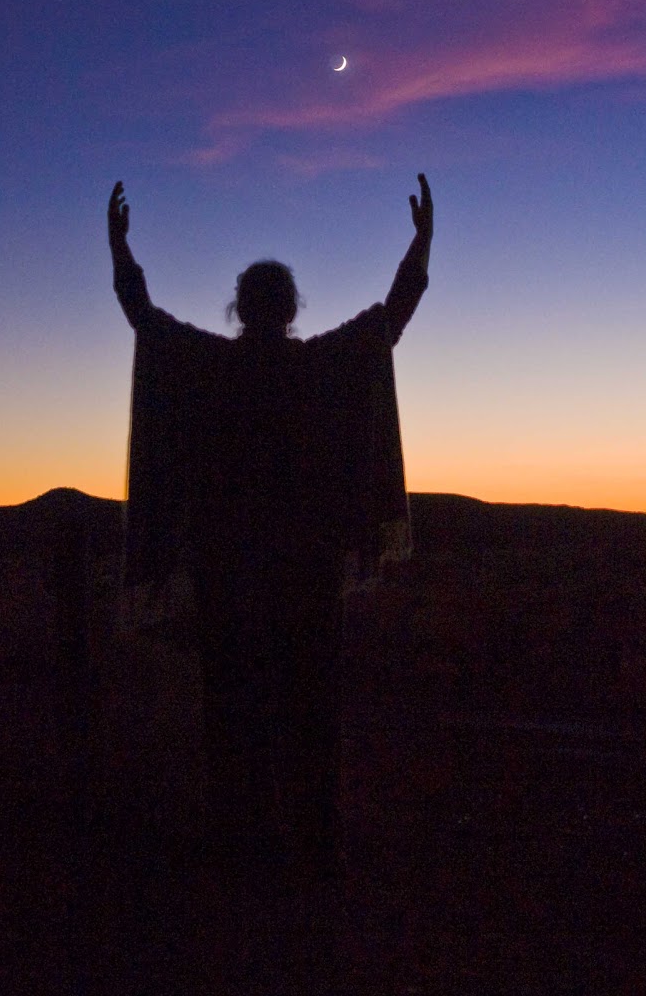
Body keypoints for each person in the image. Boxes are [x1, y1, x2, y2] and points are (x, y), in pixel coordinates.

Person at [108, 175, 432, 870]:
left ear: (241, 306)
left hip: (227, 565)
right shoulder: (321, 365)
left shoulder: (209, 365)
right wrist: (420, 245)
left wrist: (119, 249)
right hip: (304, 565)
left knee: (230, 702)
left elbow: (144, 318)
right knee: (310, 702)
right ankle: (314, 841)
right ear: (288, 308)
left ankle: (239, 840)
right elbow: (389, 321)